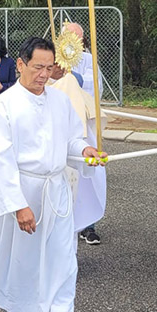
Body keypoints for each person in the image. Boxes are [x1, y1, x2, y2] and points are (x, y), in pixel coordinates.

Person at [0, 38, 106, 312]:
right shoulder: (5, 105)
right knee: (23, 257)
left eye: (48, 67)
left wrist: (84, 150)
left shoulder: (59, 101)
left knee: (64, 258)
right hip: (23, 190)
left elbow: (71, 138)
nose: (43, 74)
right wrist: (17, 205)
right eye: (37, 67)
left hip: (55, 189)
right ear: (21, 65)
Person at [48, 56, 107, 245]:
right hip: (36, 182)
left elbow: (71, 138)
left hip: (68, 163)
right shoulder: (18, 98)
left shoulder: (74, 79)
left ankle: (87, 228)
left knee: (76, 197)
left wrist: (84, 149)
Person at [61, 22, 97, 98]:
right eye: (70, 35)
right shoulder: (54, 57)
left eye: (78, 37)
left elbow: (94, 82)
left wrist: (73, 76)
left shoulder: (88, 59)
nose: (74, 40)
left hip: (81, 102)